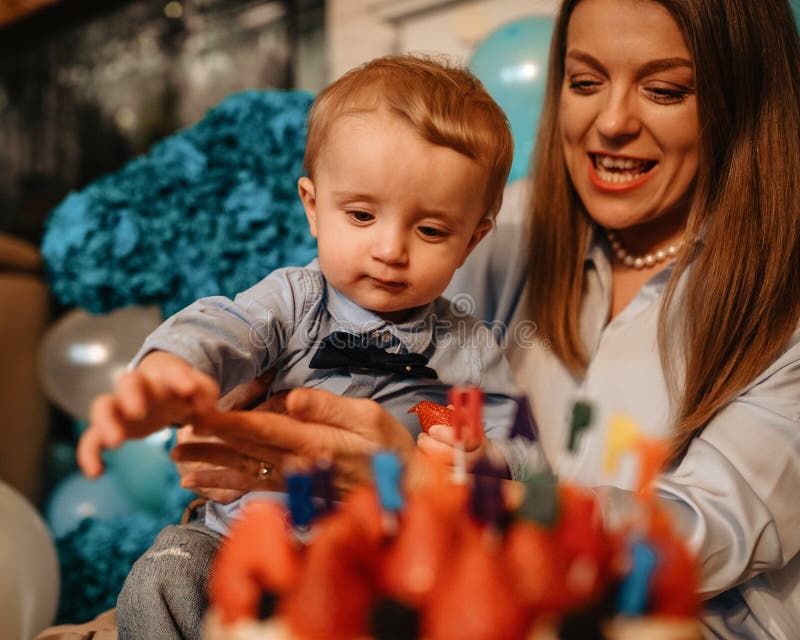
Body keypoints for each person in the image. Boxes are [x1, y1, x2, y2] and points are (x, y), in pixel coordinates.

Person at [170, 0, 800, 638]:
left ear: (743, 100)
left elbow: (708, 534)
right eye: (584, 82)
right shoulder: (481, 234)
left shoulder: (779, 301)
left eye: (664, 90)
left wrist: (444, 488)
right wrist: (255, 417)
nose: (611, 121)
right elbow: (361, 345)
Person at [77, 54, 533, 639]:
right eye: (362, 214)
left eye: (430, 230)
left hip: (377, 559)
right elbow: (226, 327)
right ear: (313, 208)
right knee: (165, 572)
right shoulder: (295, 298)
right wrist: (172, 368)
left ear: (473, 239)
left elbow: (521, 446)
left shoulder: (467, 345)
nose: (391, 249)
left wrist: (486, 459)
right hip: (240, 537)